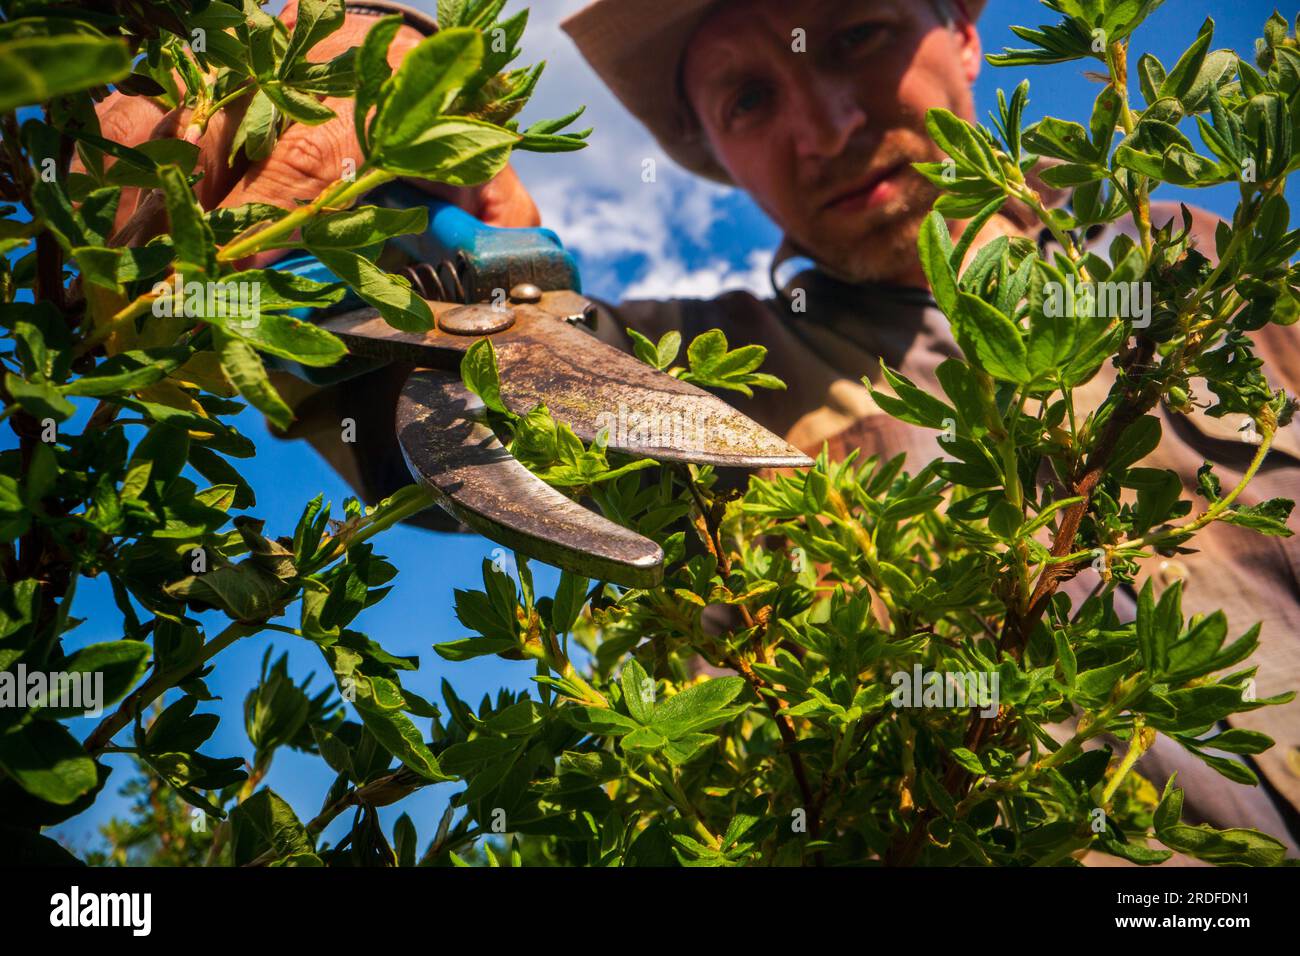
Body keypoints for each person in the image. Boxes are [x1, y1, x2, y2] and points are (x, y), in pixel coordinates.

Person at [91, 0, 1300, 859]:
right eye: (749, 94)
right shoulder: (681, 374)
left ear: (967, 28)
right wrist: (363, 111)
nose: (822, 123)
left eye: (860, 35)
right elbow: (477, 370)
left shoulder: (1212, 268)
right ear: (712, 149)